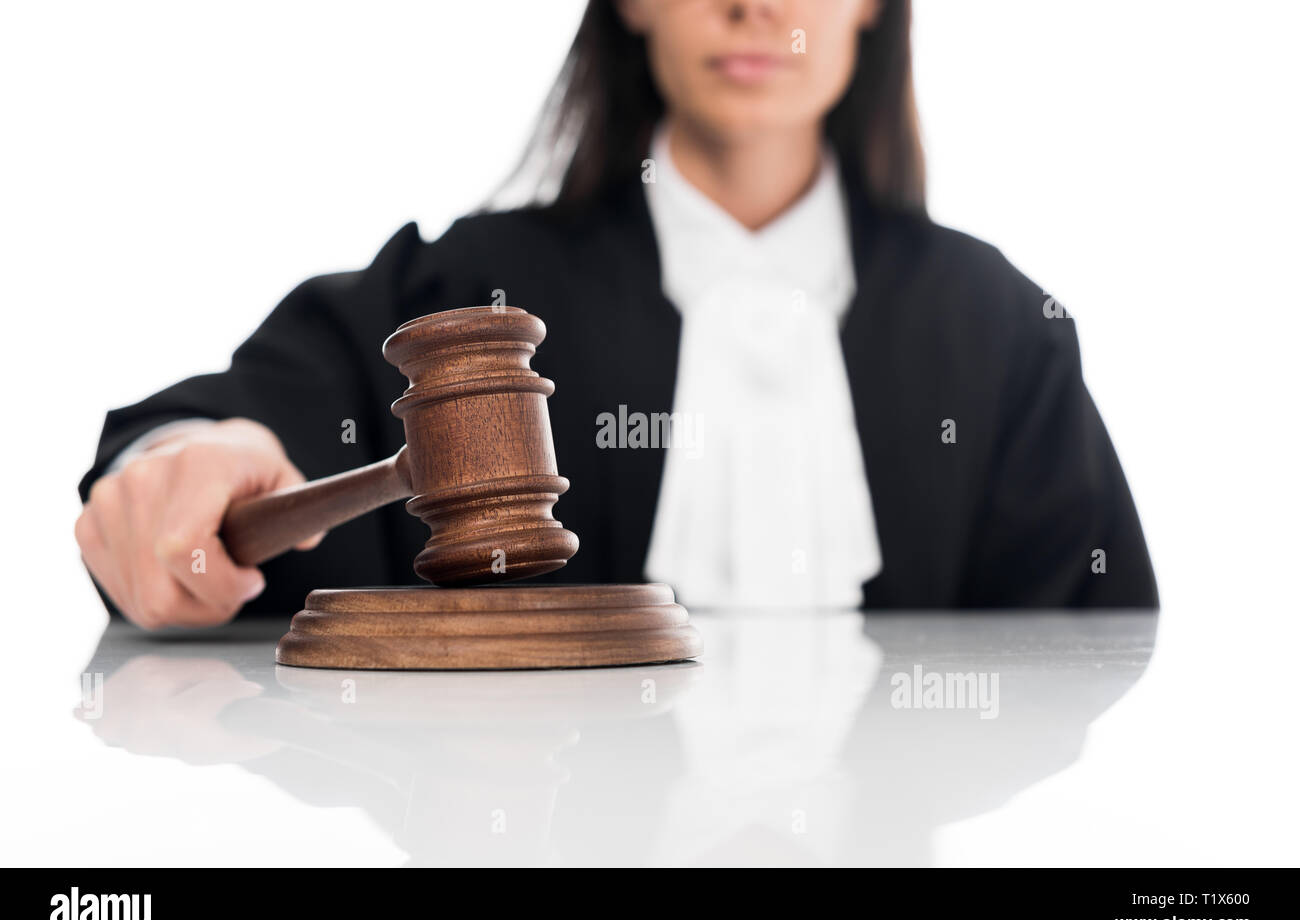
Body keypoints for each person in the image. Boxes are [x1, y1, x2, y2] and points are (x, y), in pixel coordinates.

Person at [75, 0, 1158, 629]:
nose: (753, 6)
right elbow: (259, 430)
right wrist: (194, 458)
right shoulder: (470, 290)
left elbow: (1088, 671)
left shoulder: (1002, 330)